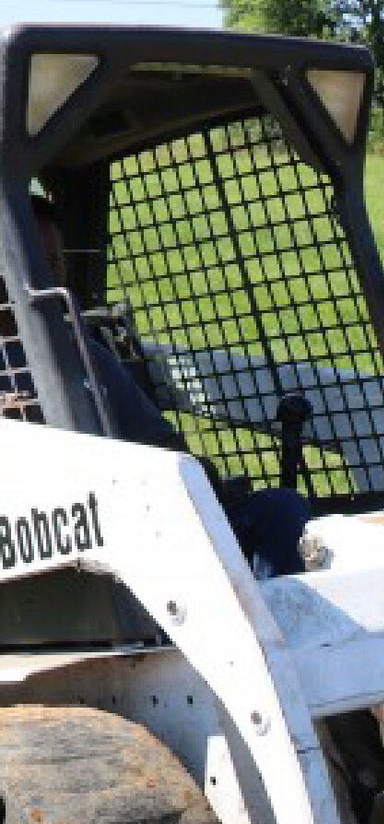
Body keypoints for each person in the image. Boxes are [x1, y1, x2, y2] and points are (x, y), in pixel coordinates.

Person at [27, 195, 311, 578]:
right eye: (35, 267)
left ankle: (272, 627)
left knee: (281, 510)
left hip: (134, 512)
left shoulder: (87, 356)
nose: (51, 280)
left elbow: (159, 442)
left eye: (55, 263)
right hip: (58, 537)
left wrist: (198, 476)